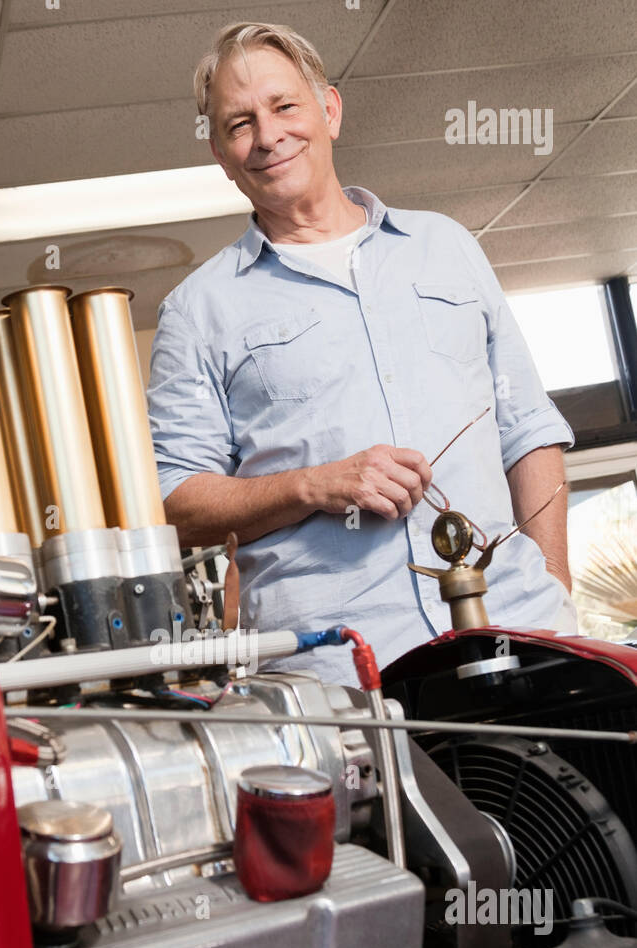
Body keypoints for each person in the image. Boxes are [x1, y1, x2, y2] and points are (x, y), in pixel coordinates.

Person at [146, 21, 579, 678]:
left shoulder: (448, 247)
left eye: (284, 106)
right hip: (345, 672)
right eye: (239, 124)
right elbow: (176, 501)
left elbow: (527, 432)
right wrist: (311, 486)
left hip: (518, 634)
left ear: (329, 110)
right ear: (219, 152)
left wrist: (555, 596)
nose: (267, 136)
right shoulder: (197, 310)